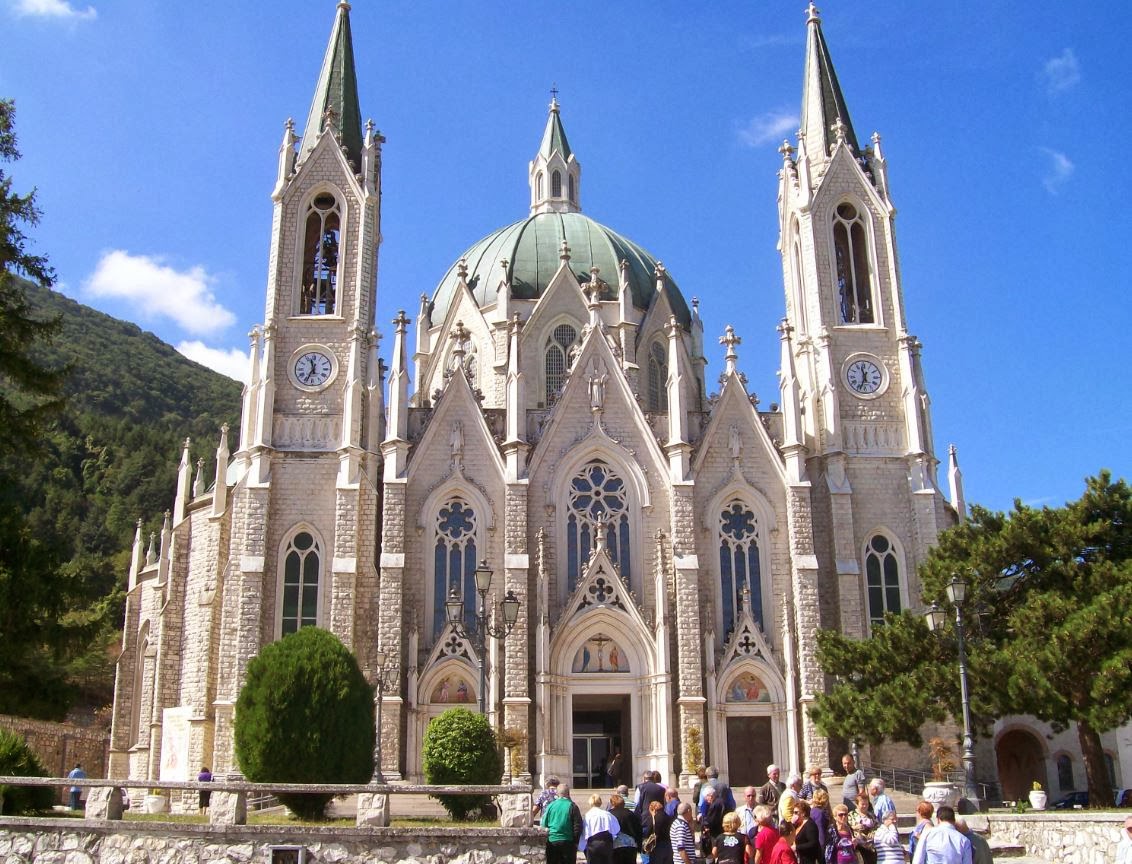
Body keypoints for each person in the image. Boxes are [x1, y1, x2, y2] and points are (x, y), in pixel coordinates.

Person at [544, 782, 584, 864]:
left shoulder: (550, 806)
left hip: (552, 841)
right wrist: (575, 842)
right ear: (568, 793)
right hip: (568, 842)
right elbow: (577, 826)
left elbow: (544, 824)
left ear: (557, 794)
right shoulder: (572, 806)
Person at [581, 793, 620, 864]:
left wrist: (583, 846)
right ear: (600, 802)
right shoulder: (607, 814)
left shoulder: (587, 816)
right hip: (606, 842)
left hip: (593, 843)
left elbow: (584, 832)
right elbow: (616, 828)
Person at [609, 791, 643, 864]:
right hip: (630, 845)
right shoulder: (630, 814)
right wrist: (639, 846)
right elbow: (638, 829)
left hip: (615, 846)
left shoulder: (609, 814)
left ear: (612, 803)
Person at [848, 792, 877, 864]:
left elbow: (877, 826)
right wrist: (854, 827)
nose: (865, 806)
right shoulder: (851, 814)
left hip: (870, 846)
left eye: (866, 804)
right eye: (862, 804)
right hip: (858, 846)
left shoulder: (871, 815)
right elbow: (847, 827)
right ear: (857, 804)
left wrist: (873, 832)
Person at [643, 798, 674, 864]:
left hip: (657, 845)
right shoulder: (668, 817)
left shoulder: (654, 819)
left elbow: (648, 832)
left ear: (652, 809)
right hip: (669, 844)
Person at [792, 800, 822, 864]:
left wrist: (797, 847)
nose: (794, 814)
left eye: (796, 812)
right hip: (799, 858)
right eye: (793, 812)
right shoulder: (797, 823)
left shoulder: (810, 825)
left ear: (803, 813)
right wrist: (792, 824)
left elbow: (813, 843)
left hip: (807, 860)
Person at [699, 787, 725, 859]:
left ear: (710, 795)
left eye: (706, 798)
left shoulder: (716, 804)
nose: (706, 800)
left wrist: (705, 826)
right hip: (719, 831)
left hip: (716, 833)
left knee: (715, 853)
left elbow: (711, 820)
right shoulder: (719, 801)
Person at [810, 789, 833, 861]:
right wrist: (823, 849)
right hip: (820, 846)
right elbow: (821, 831)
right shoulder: (820, 813)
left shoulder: (813, 810)